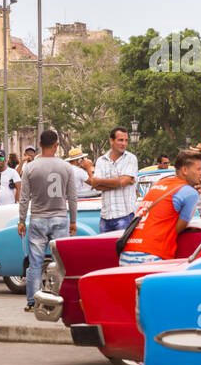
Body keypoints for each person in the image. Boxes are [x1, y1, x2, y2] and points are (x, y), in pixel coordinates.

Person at [18, 130, 78, 311]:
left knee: (35, 264)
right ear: (56, 145)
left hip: (37, 218)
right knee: (60, 263)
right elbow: (72, 197)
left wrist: (21, 220)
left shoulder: (30, 168)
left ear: (39, 143)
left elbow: (24, 198)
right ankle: (59, 299)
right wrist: (73, 220)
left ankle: (32, 302)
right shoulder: (66, 167)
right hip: (60, 217)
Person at [119, 150, 201, 266]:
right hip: (151, 256)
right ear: (185, 170)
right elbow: (177, 229)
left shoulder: (160, 183)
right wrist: (194, 197)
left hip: (126, 253)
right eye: (198, 169)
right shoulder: (190, 193)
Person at [83, 127, 139, 232]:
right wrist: (120, 182)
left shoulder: (131, 158)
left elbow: (122, 181)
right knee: (105, 248)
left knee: (124, 248)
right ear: (111, 141)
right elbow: (96, 186)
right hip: (105, 217)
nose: (124, 144)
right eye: (120, 140)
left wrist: (99, 181)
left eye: (126, 140)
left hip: (125, 216)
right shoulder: (101, 160)